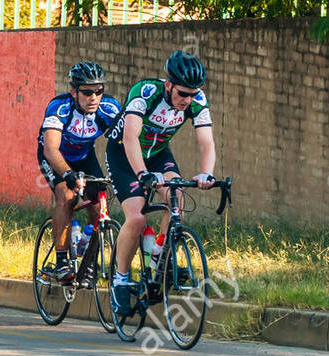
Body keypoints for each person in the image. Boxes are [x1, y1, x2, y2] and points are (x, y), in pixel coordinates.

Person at [105, 50, 216, 316]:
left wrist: (206, 174)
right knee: (137, 218)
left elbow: (207, 142)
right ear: (168, 85)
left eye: (192, 94)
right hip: (123, 154)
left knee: (175, 199)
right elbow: (131, 138)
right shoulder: (145, 93)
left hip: (157, 154)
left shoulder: (196, 100)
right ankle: (120, 279)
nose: (187, 100)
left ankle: (158, 257)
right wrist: (142, 174)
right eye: (182, 94)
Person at [37, 61, 122, 282]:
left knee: (99, 200)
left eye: (99, 91)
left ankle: (89, 258)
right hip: (56, 157)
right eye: (87, 92)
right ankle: (61, 262)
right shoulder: (60, 107)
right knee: (66, 195)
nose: (93, 97)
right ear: (74, 91)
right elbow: (51, 149)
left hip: (85, 156)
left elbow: (125, 142)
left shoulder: (108, 108)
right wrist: (68, 174)